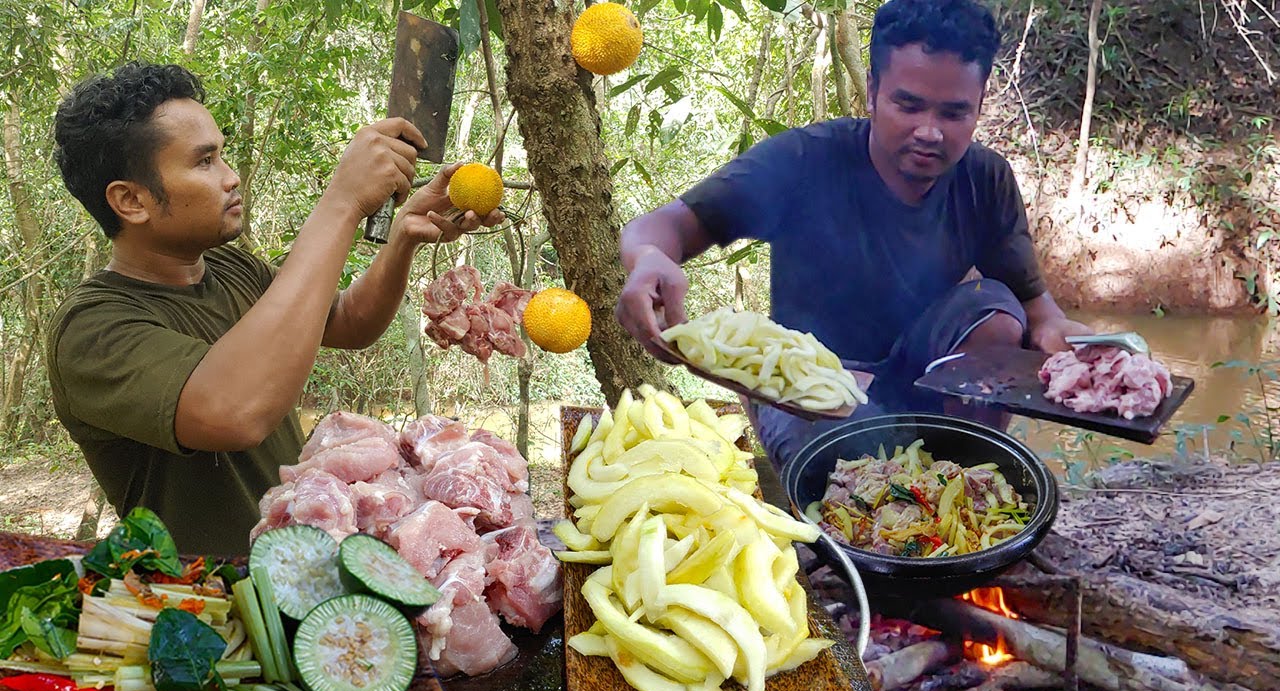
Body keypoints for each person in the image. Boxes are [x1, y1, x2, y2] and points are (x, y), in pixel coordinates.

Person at [45, 62, 502, 556]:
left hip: (305, 580)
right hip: (216, 609)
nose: (230, 176)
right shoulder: (92, 329)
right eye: (204, 162)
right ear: (131, 200)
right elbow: (235, 410)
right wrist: (343, 200)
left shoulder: (233, 269)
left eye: (222, 155)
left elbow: (347, 320)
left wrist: (403, 235)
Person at [615, 0, 1093, 471]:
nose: (929, 131)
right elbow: (666, 226)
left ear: (980, 105)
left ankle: (969, 468)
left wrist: (1074, 346)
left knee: (996, 310)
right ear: (872, 91)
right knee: (846, 455)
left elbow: (1037, 313)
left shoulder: (985, 179)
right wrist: (648, 257)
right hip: (807, 387)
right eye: (907, 105)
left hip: (919, 376)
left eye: (953, 113)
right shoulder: (803, 161)